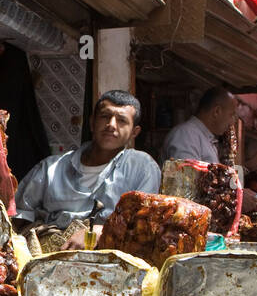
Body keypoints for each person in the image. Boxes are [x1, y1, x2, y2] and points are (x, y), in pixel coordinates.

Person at [14, 91, 160, 251]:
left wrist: (99, 231)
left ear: (134, 132)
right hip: (50, 257)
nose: (111, 124)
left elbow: (144, 223)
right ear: (91, 123)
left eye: (122, 120)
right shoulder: (52, 168)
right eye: (105, 116)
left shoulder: (142, 166)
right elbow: (19, 213)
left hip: (109, 263)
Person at [160, 86, 236, 165]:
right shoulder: (186, 136)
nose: (232, 122)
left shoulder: (204, 137)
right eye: (231, 115)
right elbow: (186, 175)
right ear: (216, 111)